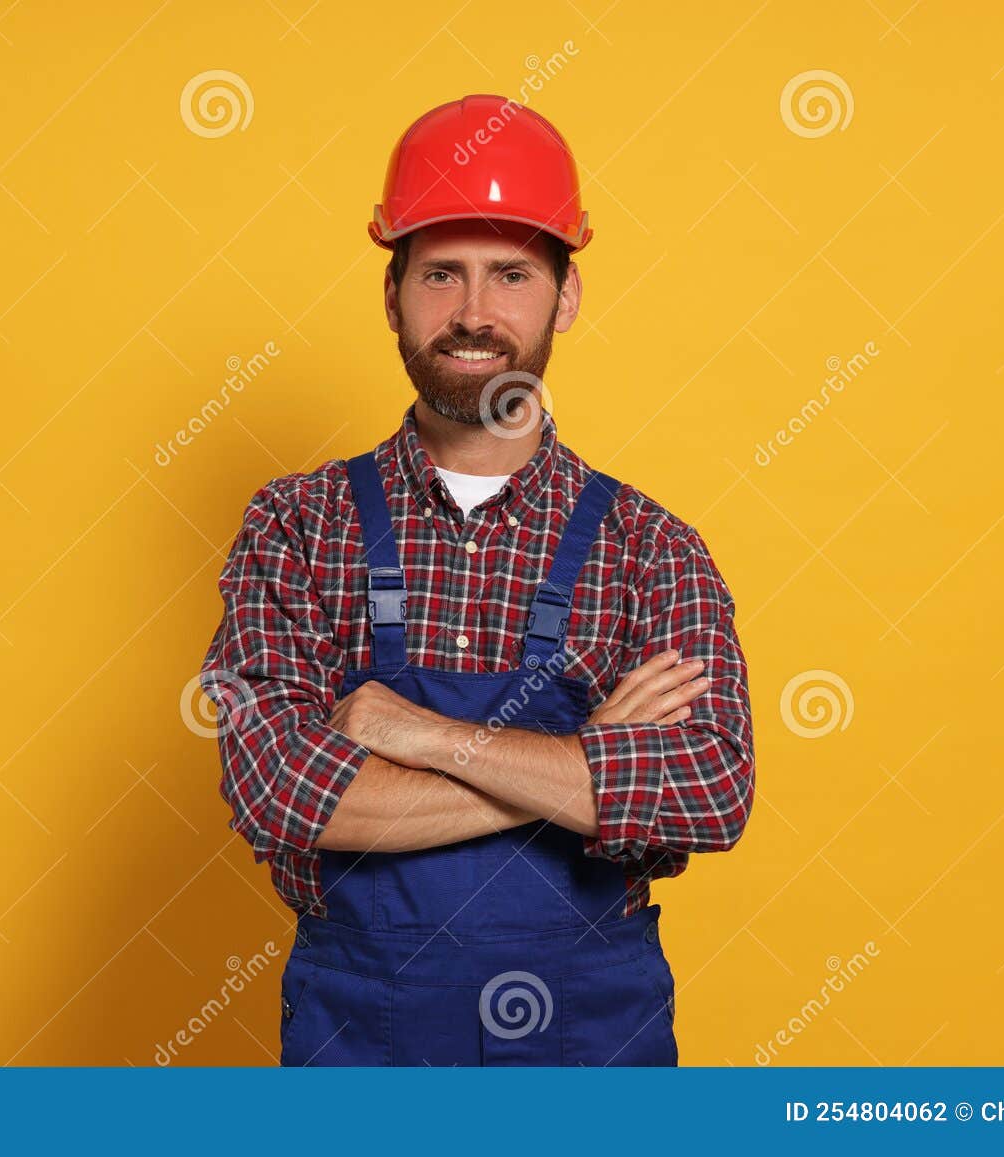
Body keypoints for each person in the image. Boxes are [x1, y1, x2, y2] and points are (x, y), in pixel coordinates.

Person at [201, 94, 755, 1066]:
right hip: (364, 1037)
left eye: (509, 275)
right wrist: (586, 763)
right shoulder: (295, 526)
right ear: (390, 294)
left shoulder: (651, 548)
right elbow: (281, 790)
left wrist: (422, 738)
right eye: (439, 275)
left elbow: (708, 790)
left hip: (590, 1046)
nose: (471, 313)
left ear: (565, 296)